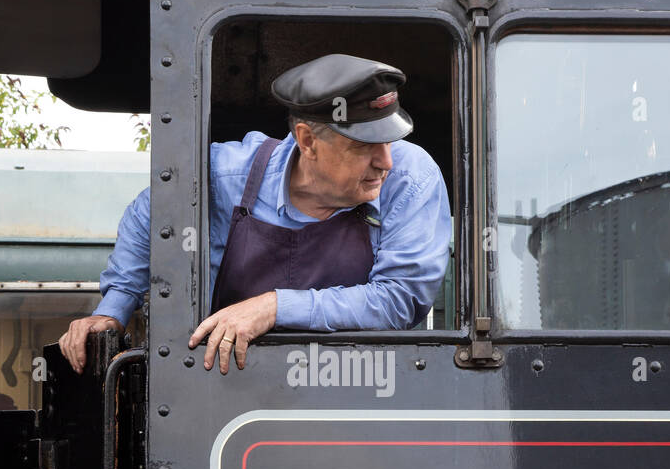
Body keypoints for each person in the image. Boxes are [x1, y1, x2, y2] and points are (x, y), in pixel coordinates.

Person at [59, 54, 451, 374]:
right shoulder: (225, 175)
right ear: (308, 140)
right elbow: (150, 211)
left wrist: (273, 306)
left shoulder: (411, 177)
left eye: (390, 141)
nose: (385, 162)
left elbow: (401, 299)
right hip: (231, 387)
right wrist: (115, 308)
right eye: (366, 146)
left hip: (358, 389)